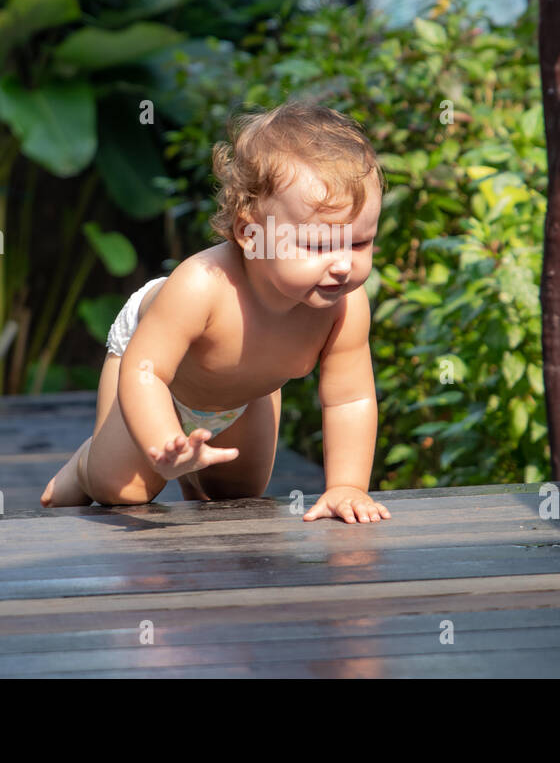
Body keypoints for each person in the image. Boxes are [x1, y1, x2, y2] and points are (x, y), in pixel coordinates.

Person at [40, 101, 392, 524]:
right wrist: (163, 441)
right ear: (250, 233)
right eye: (317, 246)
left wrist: (346, 487)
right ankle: (85, 462)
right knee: (123, 491)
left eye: (358, 243)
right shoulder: (200, 285)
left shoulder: (344, 305)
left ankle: (194, 469)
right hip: (154, 369)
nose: (341, 264)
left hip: (244, 389)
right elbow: (146, 372)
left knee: (238, 494)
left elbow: (349, 398)